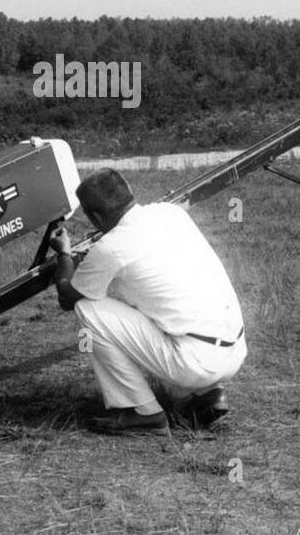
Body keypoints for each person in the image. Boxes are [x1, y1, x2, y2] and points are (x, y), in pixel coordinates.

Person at [50, 169, 247, 436]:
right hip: (234, 351)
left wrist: (64, 253)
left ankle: (141, 412)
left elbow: (67, 297)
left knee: (89, 308)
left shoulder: (110, 247)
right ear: (130, 190)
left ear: (95, 217)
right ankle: (203, 396)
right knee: (159, 300)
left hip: (196, 361)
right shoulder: (170, 212)